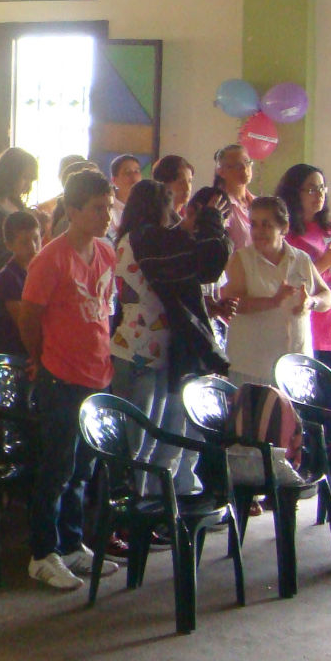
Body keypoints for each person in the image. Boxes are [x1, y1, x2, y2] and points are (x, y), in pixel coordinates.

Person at [16, 169, 119, 591]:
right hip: (61, 375)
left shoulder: (106, 253)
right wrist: (40, 357)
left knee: (83, 467)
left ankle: (72, 542)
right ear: (73, 211)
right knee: (56, 467)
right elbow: (29, 317)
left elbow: (105, 310)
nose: (106, 216)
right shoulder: (51, 259)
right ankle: (42, 553)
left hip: (98, 372)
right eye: (97, 209)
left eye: (108, 207)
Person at [108, 180, 231, 492]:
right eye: (170, 207)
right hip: (140, 353)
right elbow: (208, 262)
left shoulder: (132, 239)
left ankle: (146, 506)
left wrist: (186, 230)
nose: (175, 215)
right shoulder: (148, 239)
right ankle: (137, 508)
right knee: (140, 446)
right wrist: (210, 222)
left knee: (147, 443)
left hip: (141, 350)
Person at [223, 196, 331, 388]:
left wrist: (311, 302)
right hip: (253, 367)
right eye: (254, 225)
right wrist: (273, 301)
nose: (259, 232)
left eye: (266, 225)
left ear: (284, 228)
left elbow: (328, 297)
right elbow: (232, 304)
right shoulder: (242, 259)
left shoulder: (301, 259)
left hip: (296, 368)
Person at [275, 163, 331, 373]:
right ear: (294, 193)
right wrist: (324, 262)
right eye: (311, 189)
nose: (319, 194)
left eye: (322, 188)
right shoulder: (287, 233)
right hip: (306, 325)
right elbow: (290, 281)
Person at [0, 210, 41, 357]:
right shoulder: (8, 277)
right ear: (9, 245)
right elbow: (25, 324)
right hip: (19, 350)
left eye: (36, 239)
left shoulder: (41, 269)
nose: (33, 247)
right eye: (25, 242)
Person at [0, 147, 39, 274]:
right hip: (2, 276)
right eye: (25, 178)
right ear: (10, 174)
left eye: (31, 180)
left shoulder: (16, 202)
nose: (28, 186)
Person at [213, 143, 256, 249]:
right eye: (237, 166)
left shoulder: (258, 202)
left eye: (247, 162)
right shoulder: (220, 204)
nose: (244, 168)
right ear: (221, 172)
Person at [107, 154, 142, 237]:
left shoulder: (147, 205)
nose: (134, 177)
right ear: (114, 180)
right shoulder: (107, 206)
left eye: (137, 171)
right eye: (127, 172)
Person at [152, 154, 195, 220]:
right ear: (164, 184)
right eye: (181, 182)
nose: (187, 188)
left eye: (190, 181)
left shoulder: (187, 214)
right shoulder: (157, 218)